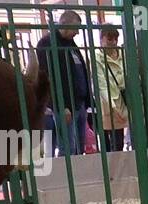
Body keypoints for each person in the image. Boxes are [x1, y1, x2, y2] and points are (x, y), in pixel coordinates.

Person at [37, 10, 92, 156]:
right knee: (67, 147)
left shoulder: (70, 43)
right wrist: (61, 106)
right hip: (66, 107)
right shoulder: (47, 44)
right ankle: (67, 177)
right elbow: (48, 78)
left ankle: (79, 176)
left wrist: (86, 102)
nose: (78, 33)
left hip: (79, 104)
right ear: (65, 24)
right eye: (76, 29)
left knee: (79, 146)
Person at [92, 25, 128, 152]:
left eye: (115, 39)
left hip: (125, 101)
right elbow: (101, 85)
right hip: (108, 105)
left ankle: (122, 169)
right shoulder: (96, 58)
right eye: (109, 39)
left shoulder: (124, 54)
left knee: (120, 142)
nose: (113, 42)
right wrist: (114, 107)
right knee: (111, 143)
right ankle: (112, 170)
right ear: (101, 39)